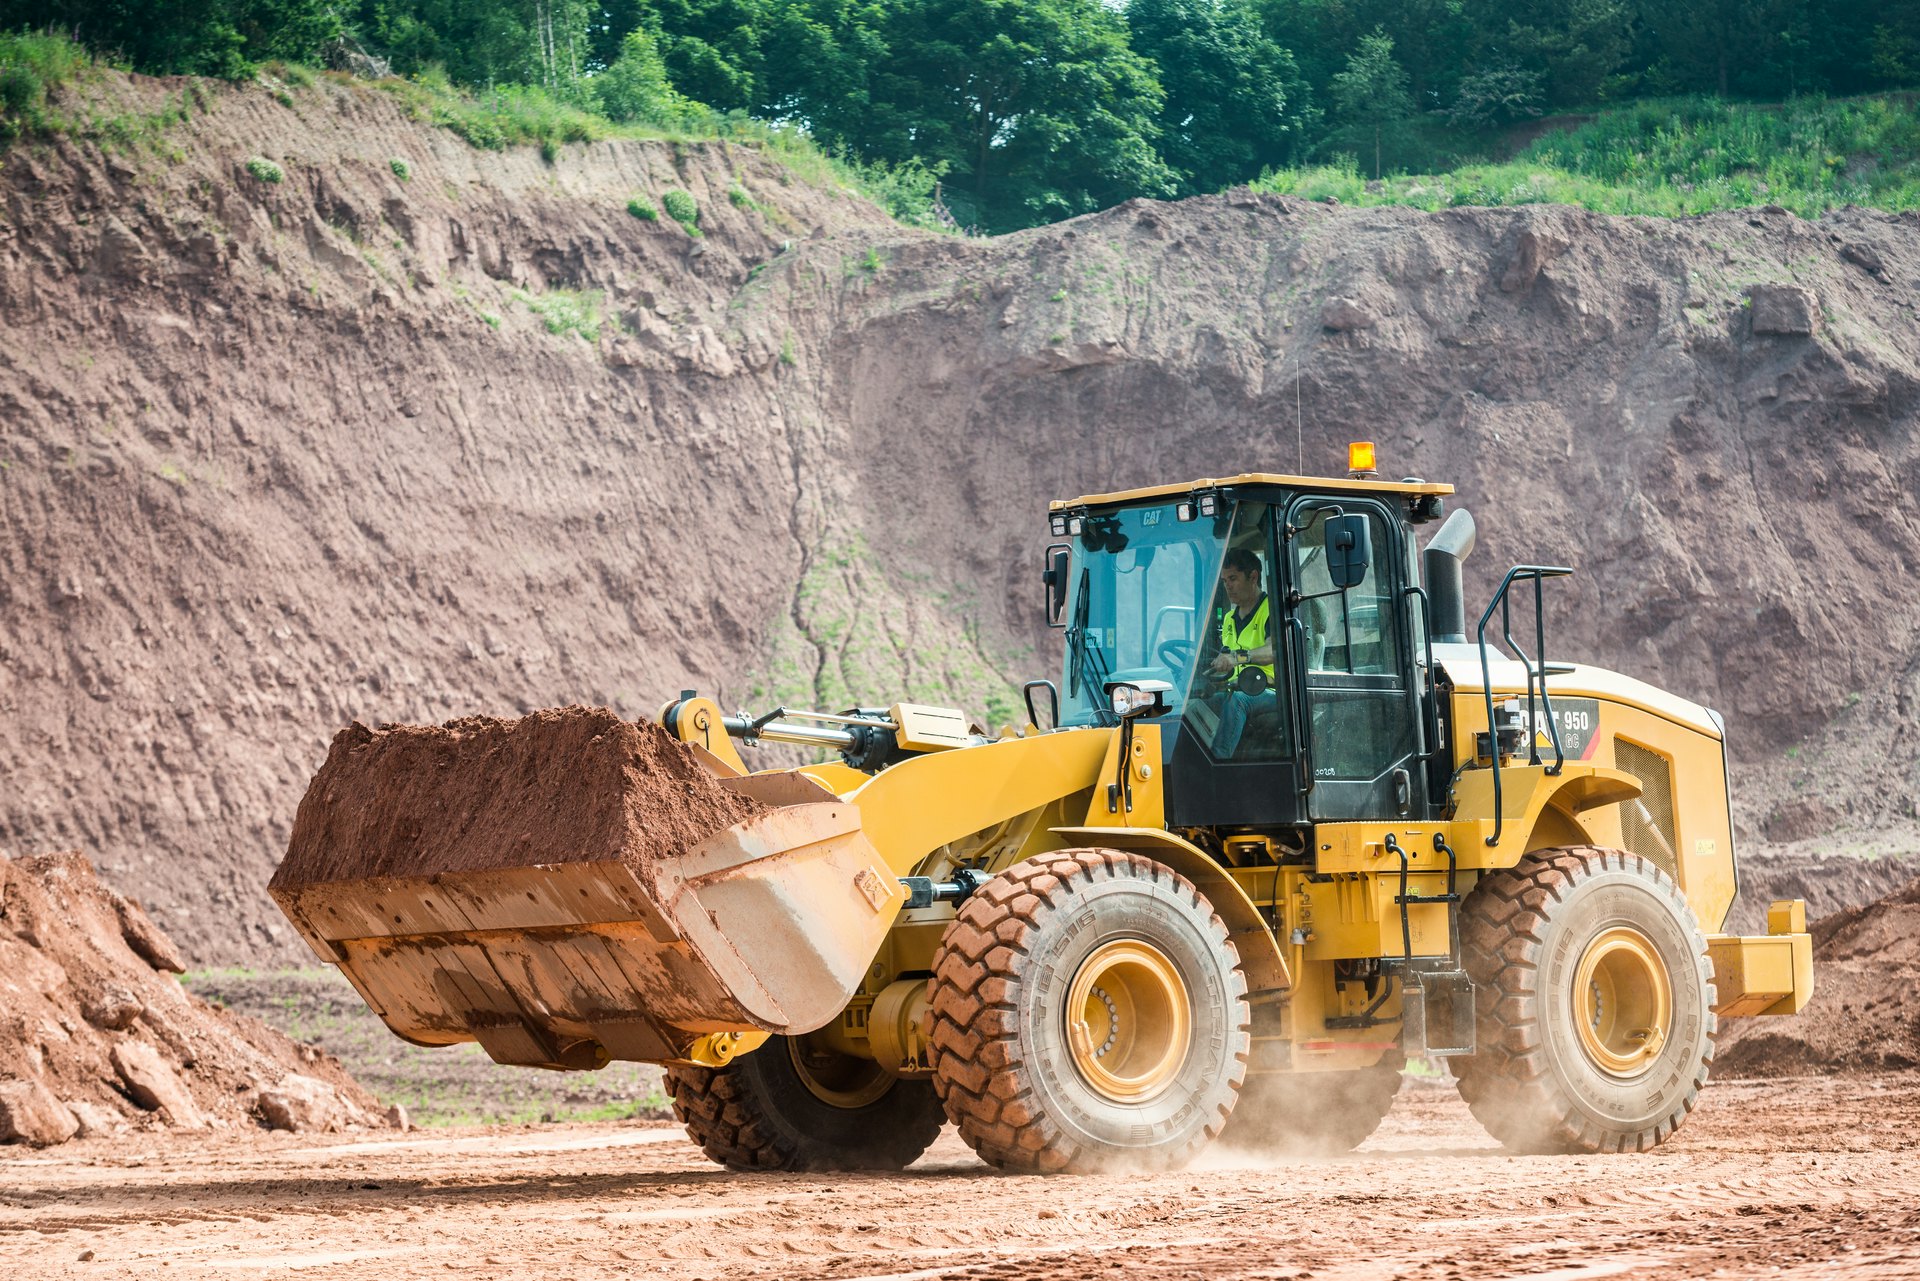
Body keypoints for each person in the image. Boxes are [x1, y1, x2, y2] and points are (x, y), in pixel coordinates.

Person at [1205, 548, 1278, 758]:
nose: (1227, 586)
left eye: (1233, 578)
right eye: (1224, 580)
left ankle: (1218, 764)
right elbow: (1227, 656)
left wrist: (1236, 658)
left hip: (1271, 691)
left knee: (1237, 701)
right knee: (1196, 706)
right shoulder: (1229, 618)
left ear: (1253, 577)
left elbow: (1274, 651)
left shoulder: (1272, 609)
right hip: (1238, 687)